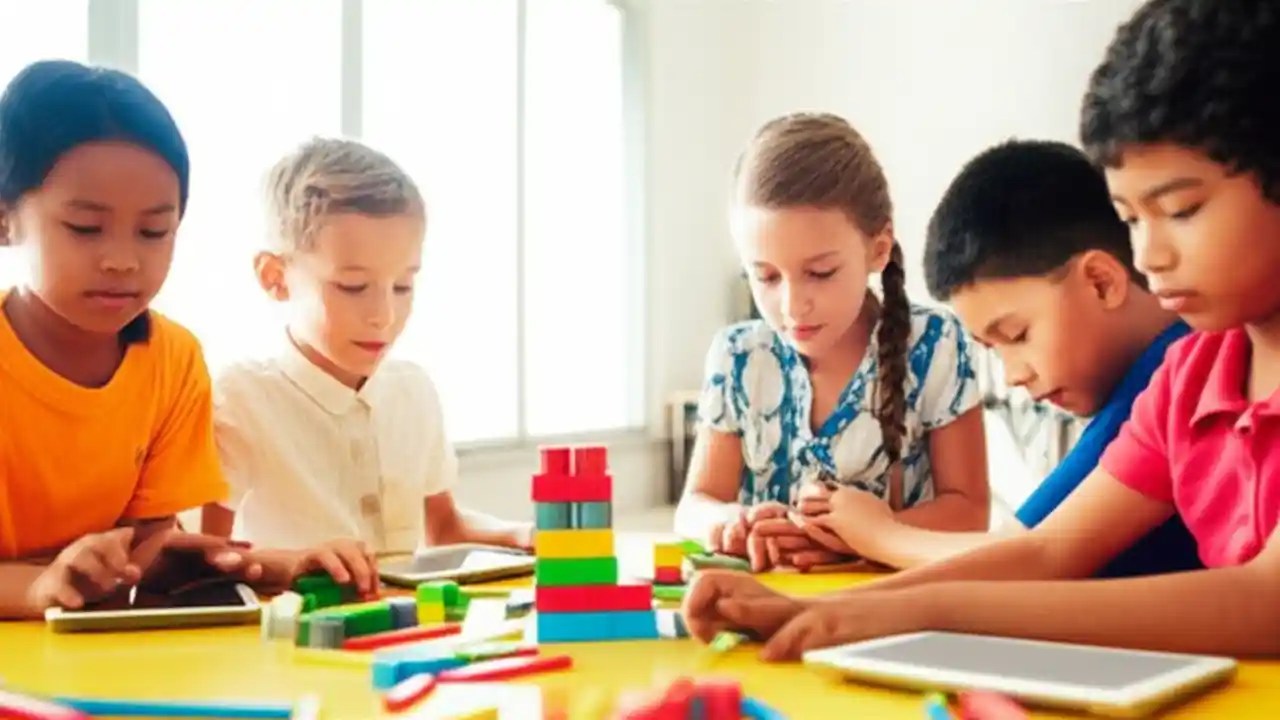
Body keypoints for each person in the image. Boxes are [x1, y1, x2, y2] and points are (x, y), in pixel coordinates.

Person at [682, 0, 1280, 661]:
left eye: (1182, 210)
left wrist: (914, 607)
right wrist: (821, 608)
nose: (1149, 257)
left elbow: (1265, 602)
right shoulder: (1191, 375)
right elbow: (1048, 551)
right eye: (1132, 221)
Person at [0, 61, 372, 620]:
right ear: (6, 219)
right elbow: (67, 578)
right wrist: (36, 588)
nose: (123, 261)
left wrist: (275, 568)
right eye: (85, 228)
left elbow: (137, 556)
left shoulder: (172, 362)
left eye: (154, 231)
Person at [794, 138, 1200, 573]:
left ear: (1101, 282)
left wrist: (880, 533)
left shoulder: (1163, 377)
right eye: (993, 350)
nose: (1012, 376)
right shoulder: (1147, 380)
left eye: (1017, 334)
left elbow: (1022, 557)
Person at [673, 113, 990, 571]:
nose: (792, 305)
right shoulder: (738, 356)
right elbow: (695, 505)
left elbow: (969, 514)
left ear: (878, 249)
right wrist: (728, 522)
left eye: (820, 273)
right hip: (767, 603)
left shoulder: (934, 345)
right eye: (764, 276)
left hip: (891, 608)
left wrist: (866, 537)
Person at [202, 137, 533, 555]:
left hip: (408, 619)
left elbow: (445, 529)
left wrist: (525, 536)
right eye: (353, 287)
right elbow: (206, 556)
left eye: (402, 285)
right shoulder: (242, 397)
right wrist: (297, 563)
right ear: (276, 277)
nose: (384, 315)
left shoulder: (413, 390)